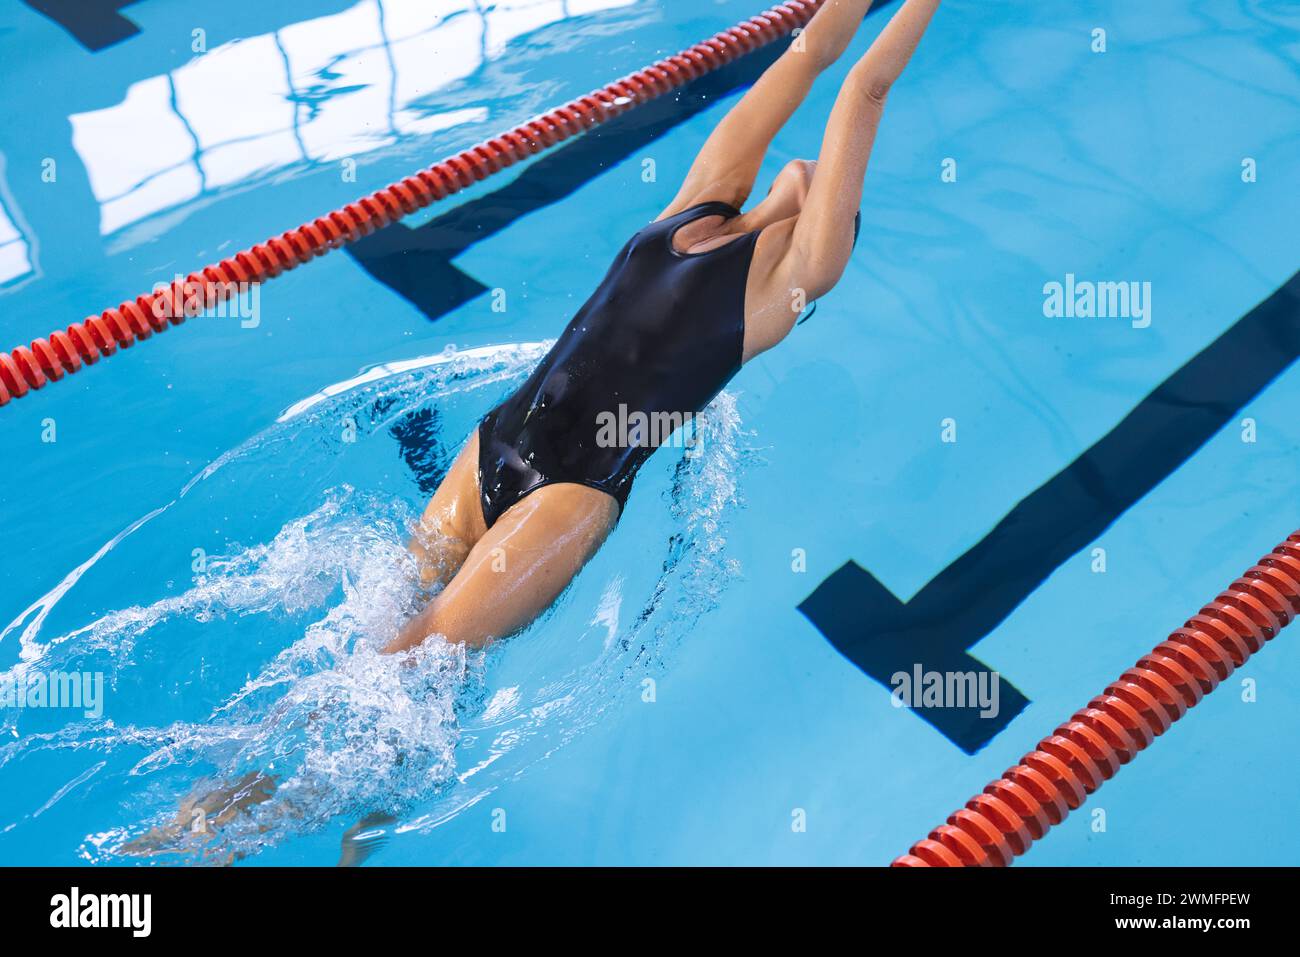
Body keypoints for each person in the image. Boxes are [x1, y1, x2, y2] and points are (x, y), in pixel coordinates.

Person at [383, 0, 943, 654]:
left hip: (569, 496)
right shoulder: (703, 198)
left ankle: (258, 764)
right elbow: (810, 52)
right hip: (496, 440)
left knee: (414, 659)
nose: (826, 166)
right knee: (382, 620)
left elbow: (865, 87)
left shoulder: (792, 279)